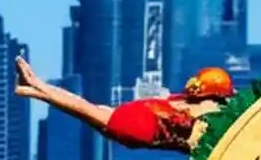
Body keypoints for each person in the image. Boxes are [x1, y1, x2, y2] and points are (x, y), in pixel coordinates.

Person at [14, 57, 234, 153]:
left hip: (144, 120)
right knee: (85, 109)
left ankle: (36, 87)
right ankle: (36, 87)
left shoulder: (191, 103)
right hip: (143, 125)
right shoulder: (210, 112)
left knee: (86, 108)